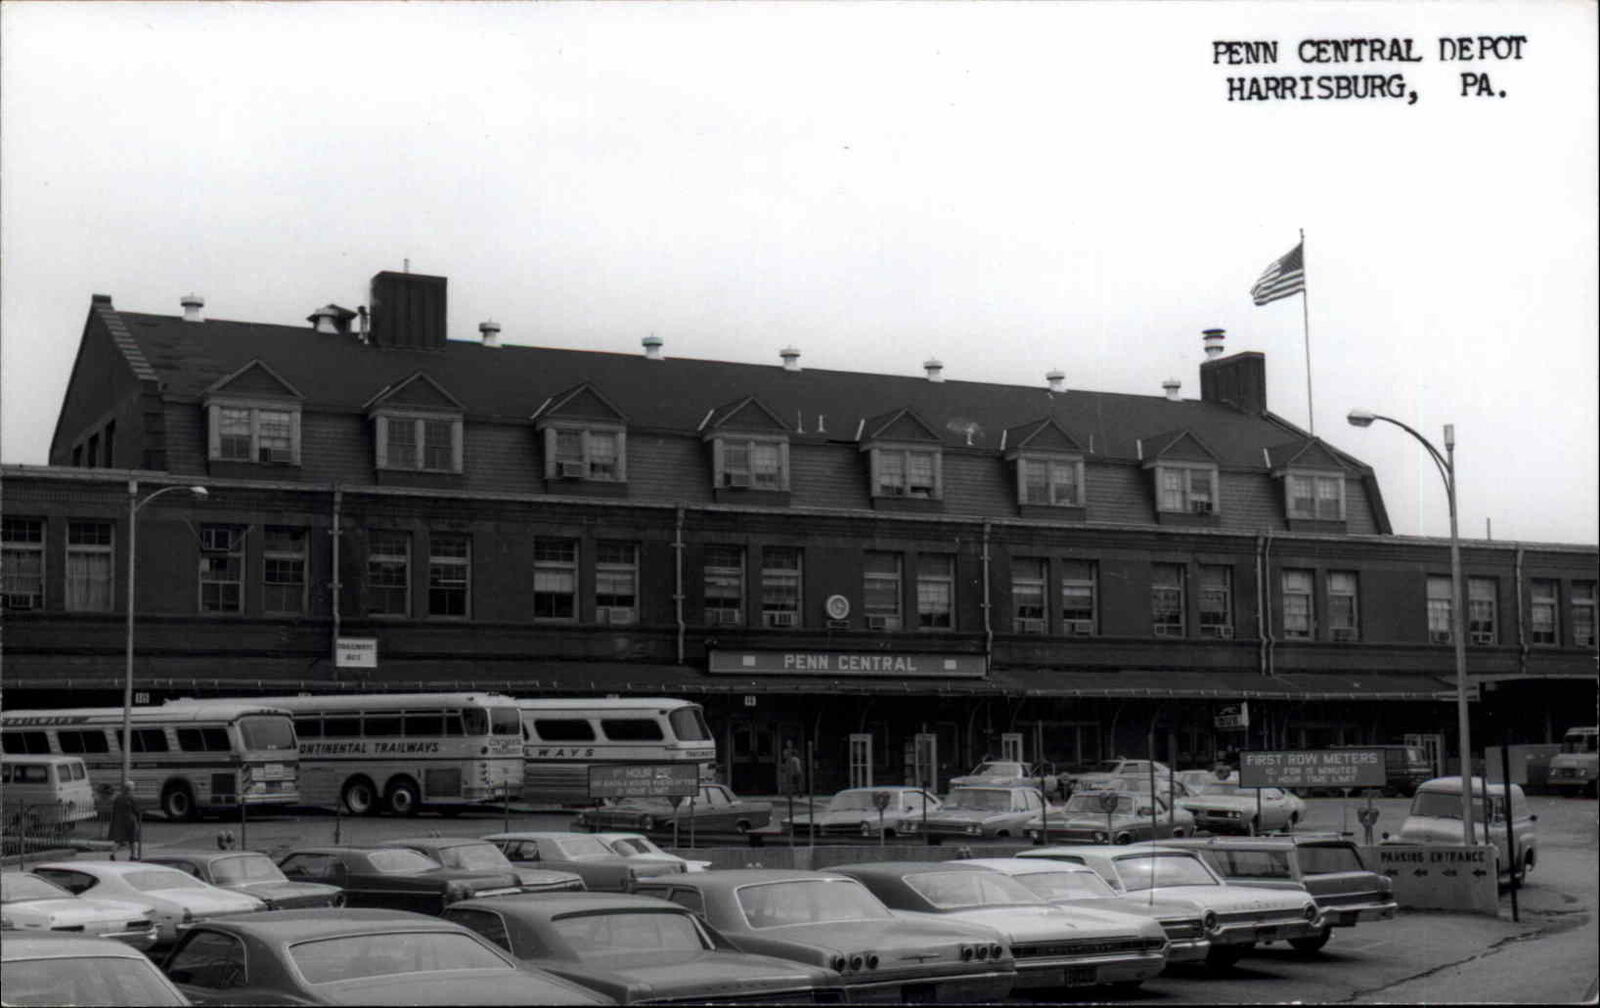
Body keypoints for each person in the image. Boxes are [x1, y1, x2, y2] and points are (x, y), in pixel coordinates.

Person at [107, 781, 141, 860]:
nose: (133, 790)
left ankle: (112, 854)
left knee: (118, 840)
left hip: (119, 821)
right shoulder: (131, 798)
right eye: (133, 789)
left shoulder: (118, 798)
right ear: (130, 789)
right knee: (133, 839)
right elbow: (136, 810)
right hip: (131, 821)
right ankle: (133, 856)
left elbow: (114, 810)